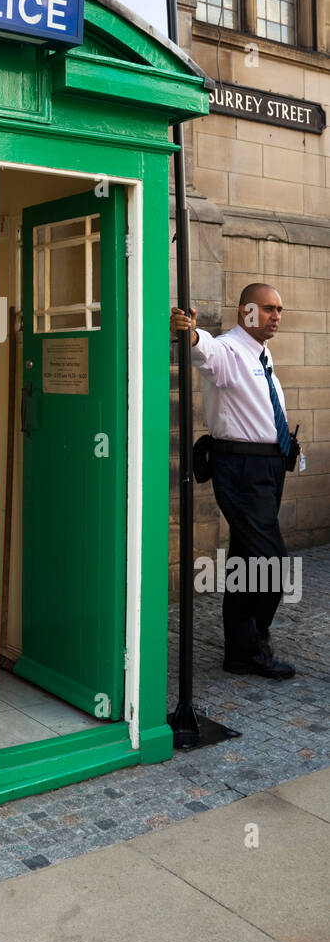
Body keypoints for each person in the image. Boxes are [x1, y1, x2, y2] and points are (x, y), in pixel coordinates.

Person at [171, 283, 295, 680]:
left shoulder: (261, 352)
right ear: (246, 312)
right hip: (242, 470)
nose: (276, 316)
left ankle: (240, 653)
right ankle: (254, 644)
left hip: (268, 469)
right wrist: (187, 331)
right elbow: (202, 349)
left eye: (280, 310)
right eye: (268, 309)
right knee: (272, 562)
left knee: (247, 559)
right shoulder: (229, 349)